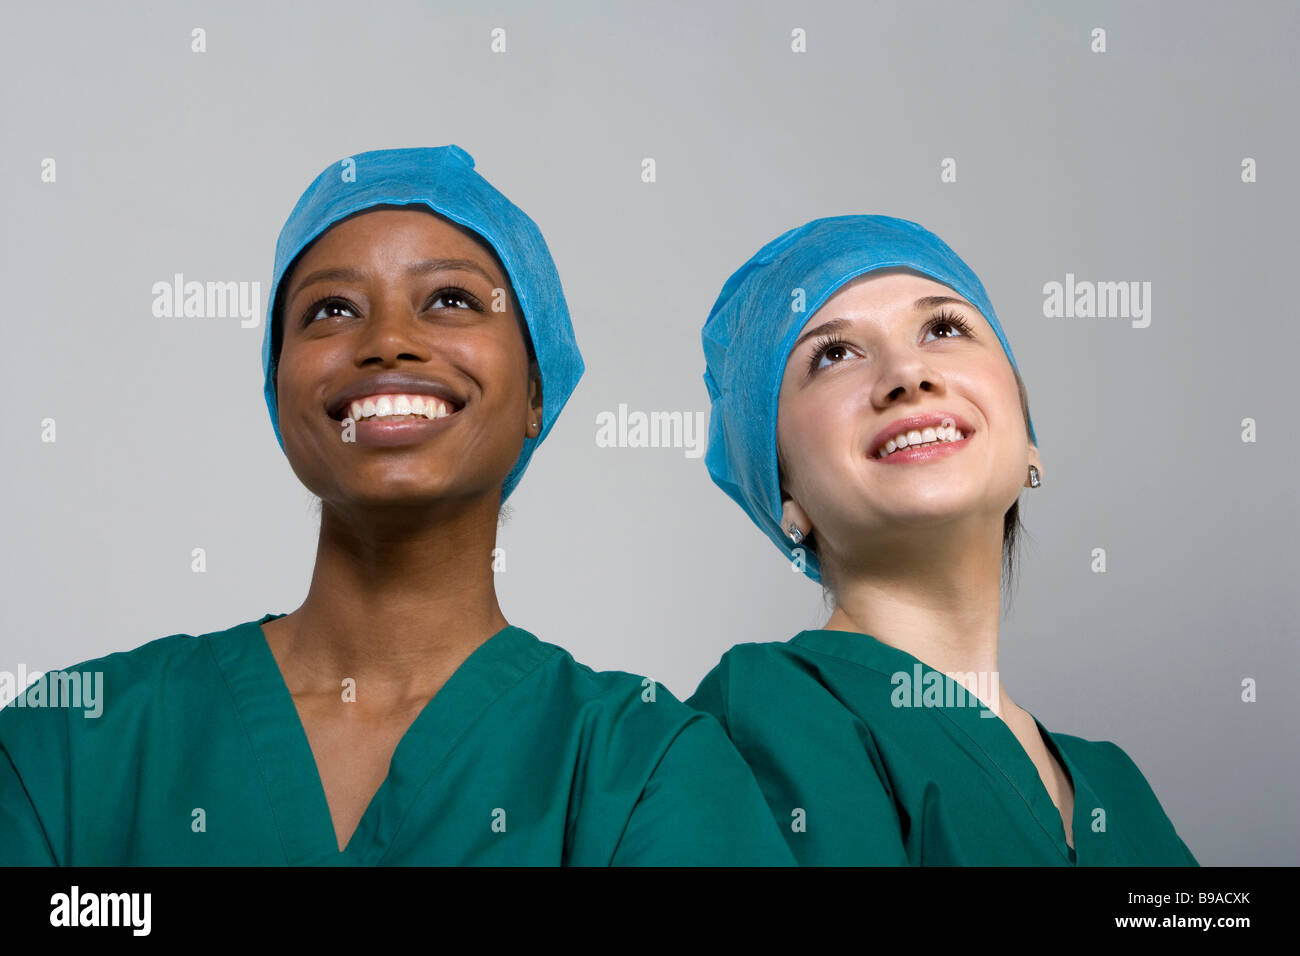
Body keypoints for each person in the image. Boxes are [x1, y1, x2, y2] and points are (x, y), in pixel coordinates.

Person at [0, 145, 794, 866]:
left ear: (536, 390)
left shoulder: (644, 768)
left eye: (450, 299)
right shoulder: (74, 746)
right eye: (331, 310)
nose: (388, 341)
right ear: (278, 394)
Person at [687, 214, 1199, 866]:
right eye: (834, 354)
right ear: (783, 491)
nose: (907, 373)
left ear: (1029, 441)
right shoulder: (759, 719)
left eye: (945, 328)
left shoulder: (1120, 791)